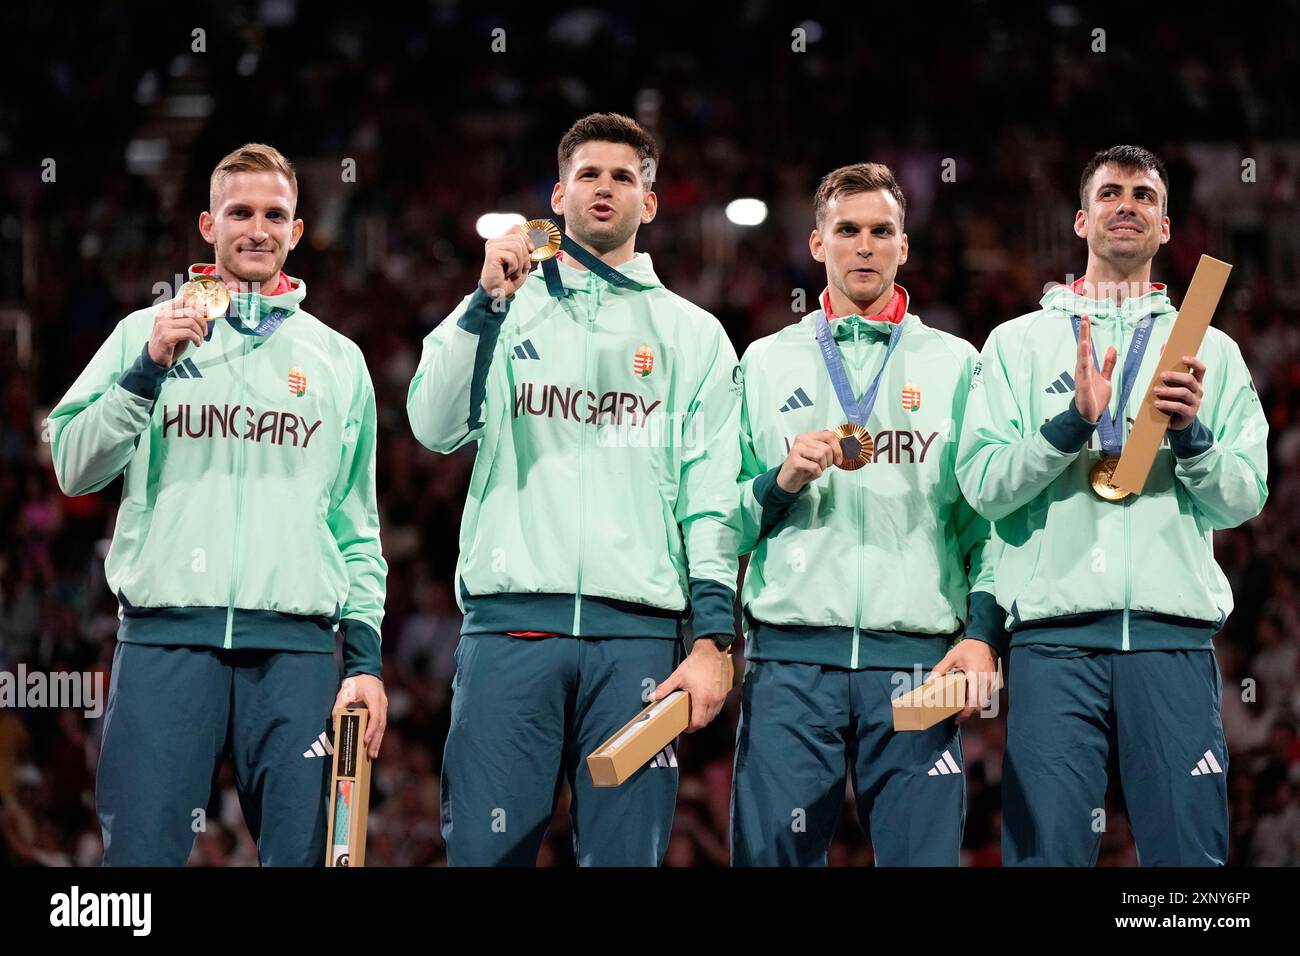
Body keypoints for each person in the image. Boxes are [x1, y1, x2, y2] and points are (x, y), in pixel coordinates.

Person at [407, 113, 741, 866]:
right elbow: (433, 424)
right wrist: (484, 304)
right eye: (589, 174)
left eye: (624, 177)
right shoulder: (500, 307)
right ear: (558, 195)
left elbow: (712, 499)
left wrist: (714, 639)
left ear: (648, 204)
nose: (605, 188)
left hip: (640, 640)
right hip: (510, 631)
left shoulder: (693, 336)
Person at [49, 143, 389, 866]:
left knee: (301, 857)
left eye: (275, 215)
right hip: (166, 643)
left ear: (297, 232)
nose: (257, 229)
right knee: (138, 862)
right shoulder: (142, 335)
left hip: (296, 653)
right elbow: (73, 466)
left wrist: (363, 662)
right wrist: (146, 371)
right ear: (209, 225)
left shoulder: (337, 360)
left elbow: (356, 527)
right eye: (240, 212)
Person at [956, 145, 1269, 866]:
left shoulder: (1210, 352)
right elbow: (983, 485)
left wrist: (1192, 438)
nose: (1126, 204)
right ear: (1080, 219)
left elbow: (1243, 498)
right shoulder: (1016, 345)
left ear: (1165, 227)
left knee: (1189, 861)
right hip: (1052, 643)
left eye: (1143, 195)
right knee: (1049, 854)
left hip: (1172, 639)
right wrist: (1067, 427)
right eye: (1109, 193)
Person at [731, 162, 1002, 866]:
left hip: (917, 662)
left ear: (903, 247)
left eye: (881, 231)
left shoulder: (957, 364)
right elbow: (718, 522)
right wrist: (781, 480)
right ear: (816, 244)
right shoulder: (763, 362)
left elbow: (990, 522)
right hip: (790, 662)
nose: (864, 245)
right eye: (846, 230)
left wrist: (981, 636)